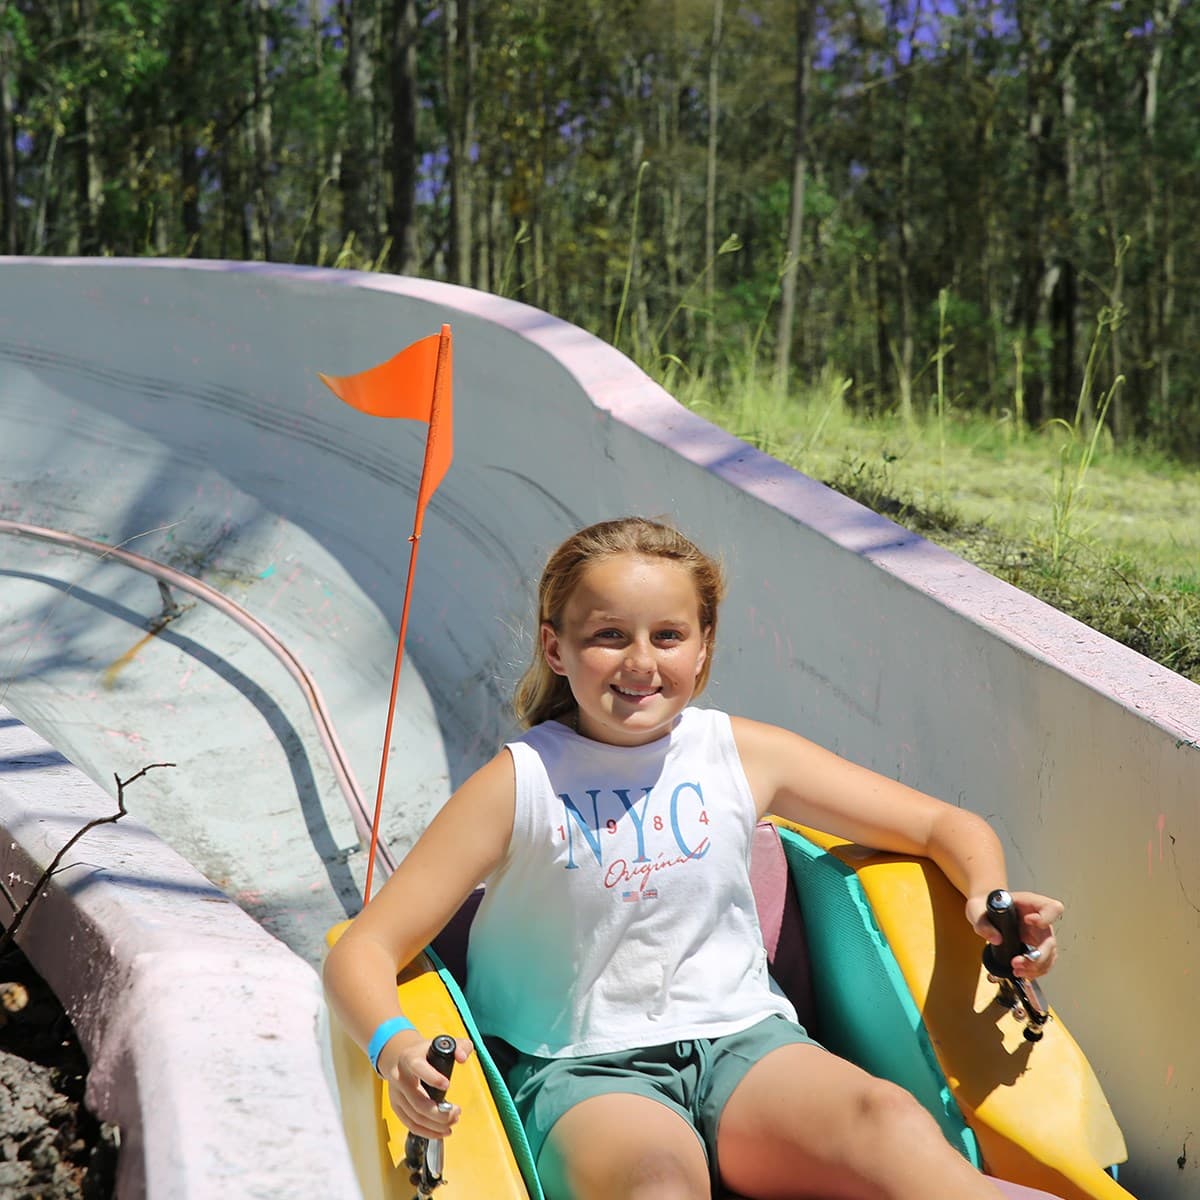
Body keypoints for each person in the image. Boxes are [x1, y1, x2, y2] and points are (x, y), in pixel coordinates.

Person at [323, 516, 1064, 1200]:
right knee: (659, 1185)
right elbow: (365, 948)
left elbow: (943, 825)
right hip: (581, 1069)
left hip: (747, 1044)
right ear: (556, 648)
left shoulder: (742, 754)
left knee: (889, 1118)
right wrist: (395, 1047)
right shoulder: (520, 783)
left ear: (704, 645)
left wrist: (988, 902)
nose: (640, 662)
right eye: (609, 635)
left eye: (668, 636)